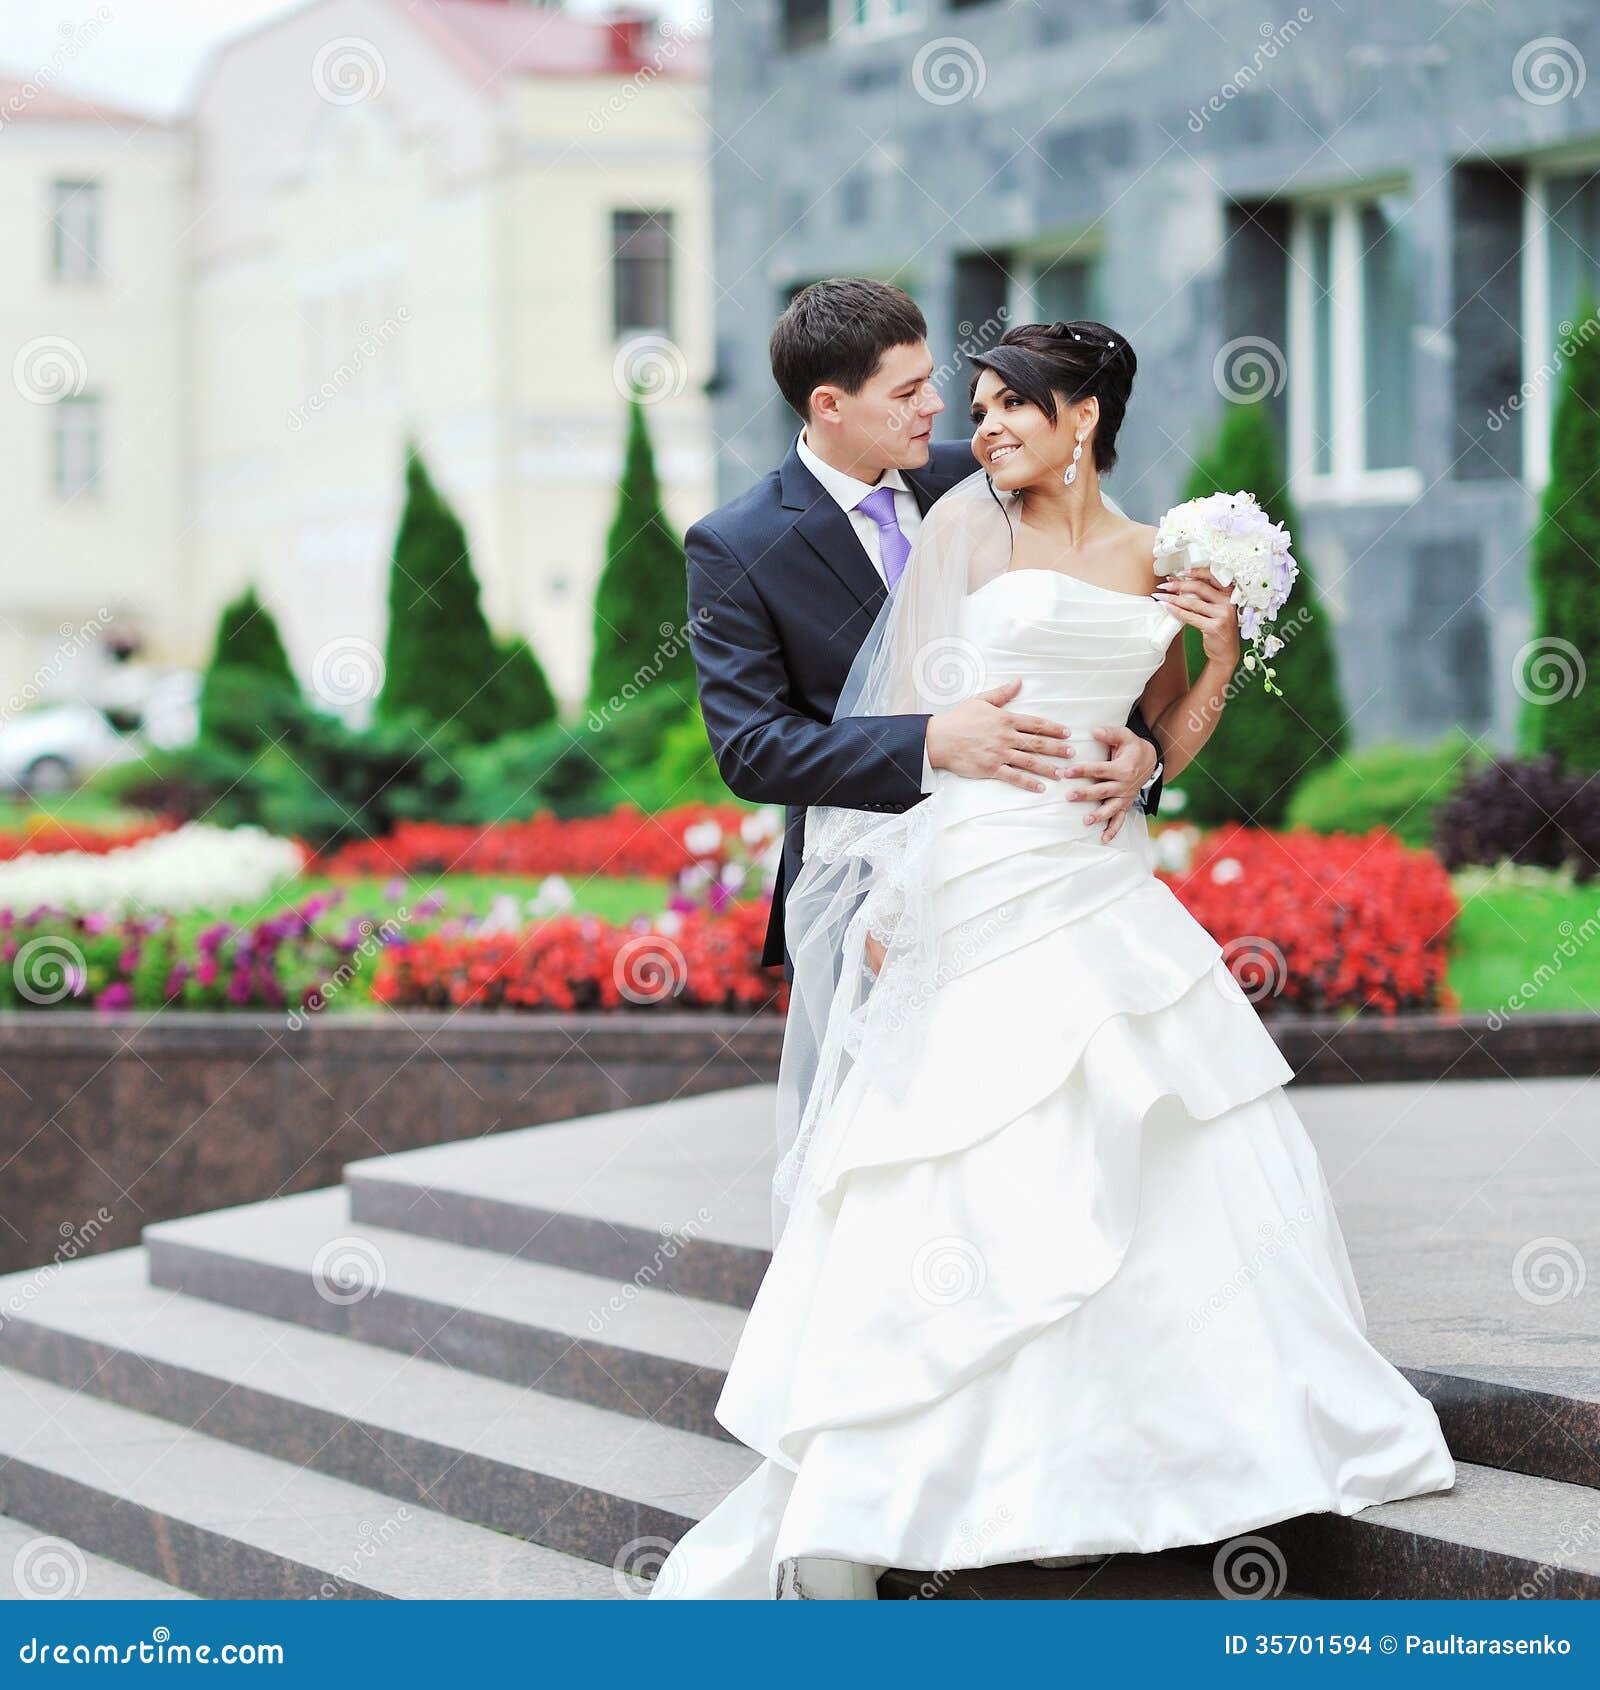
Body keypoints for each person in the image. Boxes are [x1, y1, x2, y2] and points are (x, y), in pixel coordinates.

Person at [652, 312, 1454, 1601]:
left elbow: (1156, 739)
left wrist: (1197, 685)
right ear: (829, 405)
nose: (970, 427)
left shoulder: (1156, 551)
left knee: (1164, 1136)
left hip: (1095, 874)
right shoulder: (958, 521)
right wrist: (896, 873)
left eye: (998, 403)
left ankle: (1164, 1450)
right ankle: (925, 1476)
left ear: (1081, 416)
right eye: (951, 403)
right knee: (966, 1157)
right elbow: (888, 714)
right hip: (974, 861)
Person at [685, 278, 1164, 984]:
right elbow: (754, 750)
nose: (937, 407)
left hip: (1044, 860)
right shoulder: (736, 545)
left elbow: (1088, 624)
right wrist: (931, 742)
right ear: (830, 405)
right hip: (861, 892)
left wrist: (1145, 758)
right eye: (908, 393)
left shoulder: (988, 470)